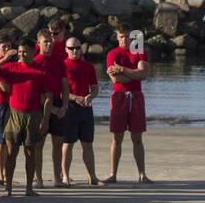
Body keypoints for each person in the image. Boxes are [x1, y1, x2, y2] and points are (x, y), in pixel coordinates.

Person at [0, 36, 56, 197]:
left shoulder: (41, 71)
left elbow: (49, 98)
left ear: (34, 51)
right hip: (14, 115)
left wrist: (45, 120)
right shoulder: (11, 67)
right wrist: (5, 58)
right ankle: (8, 189)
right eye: (19, 52)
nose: (21, 54)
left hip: (34, 116)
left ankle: (29, 188)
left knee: (31, 153)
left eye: (25, 51)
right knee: (11, 154)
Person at [105, 25, 152, 184]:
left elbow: (144, 74)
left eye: (127, 36)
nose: (124, 39)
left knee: (137, 138)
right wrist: (135, 75)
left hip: (136, 97)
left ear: (132, 37)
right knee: (117, 138)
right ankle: (113, 174)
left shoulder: (138, 52)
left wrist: (123, 69)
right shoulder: (112, 54)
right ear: (117, 37)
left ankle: (142, 174)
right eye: (121, 36)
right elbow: (116, 80)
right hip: (119, 97)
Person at [60, 37, 101, 186]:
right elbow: (59, 91)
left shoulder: (88, 67)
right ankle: (65, 176)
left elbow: (95, 87)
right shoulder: (62, 66)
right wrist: (75, 97)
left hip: (86, 108)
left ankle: (92, 177)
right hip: (69, 108)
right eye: (71, 48)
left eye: (77, 48)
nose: (75, 51)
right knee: (68, 144)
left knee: (88, 144)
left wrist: (92, 95)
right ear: (66, 50)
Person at [34, 24, 69, 186]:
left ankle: (57, 178)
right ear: (39, 43)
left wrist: (64, 105)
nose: (48, 44)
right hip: (39, 105)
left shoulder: (59, 62)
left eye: (50, 42)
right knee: (38, 144)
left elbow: (65, 85)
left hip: (57, 101)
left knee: (58, 143)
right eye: (45, 42)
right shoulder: (34, 62)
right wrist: (52, 109)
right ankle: (38, 178)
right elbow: (33, 92)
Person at [0, 30, 18, 190]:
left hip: (14, 105)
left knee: (11, 141)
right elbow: (5, 86)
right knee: (1, 141)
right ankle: (1, 174)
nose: (7, 49)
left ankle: (8, 173)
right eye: (3, 46)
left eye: (9, 46)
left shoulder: (15, 63)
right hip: (1, 105)